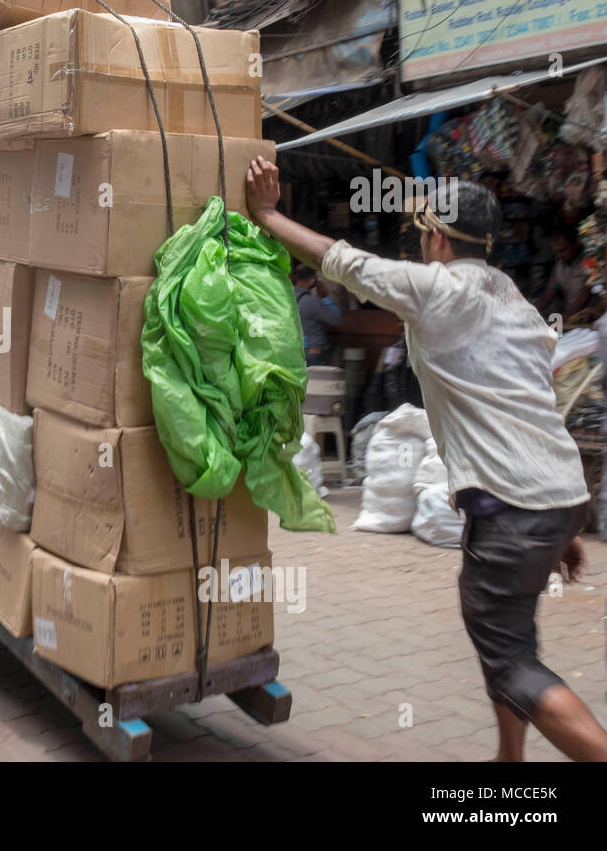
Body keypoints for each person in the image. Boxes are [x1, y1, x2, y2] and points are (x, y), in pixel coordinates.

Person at [246, 157, 607, 762]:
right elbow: (534, 400)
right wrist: (558, 527)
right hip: (556, 499)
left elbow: (343, 262)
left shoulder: (440, 287)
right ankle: (509, 766)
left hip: (517, 511)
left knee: (512, 659)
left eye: (422, 232)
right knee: (510, 639)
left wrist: (265, 214)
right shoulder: (508, 295)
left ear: (437, 236)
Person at [534, 223, 590, 318]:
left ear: (576, 243)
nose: (559, 256)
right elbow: (547, 296)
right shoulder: (559, 264)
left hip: (589, 318)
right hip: (572, 318)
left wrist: (569, 316)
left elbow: (584, 296)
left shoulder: (589, 262)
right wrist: (529, 311)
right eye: (555, 252)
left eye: (563, 250)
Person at [294, 264, 342, 365]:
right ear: (312, 280)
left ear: (296, 277)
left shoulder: (288, 297)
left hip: (295, 350)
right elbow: (336, 319)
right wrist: (325, 297)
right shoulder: (311, 301)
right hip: (313, 352)